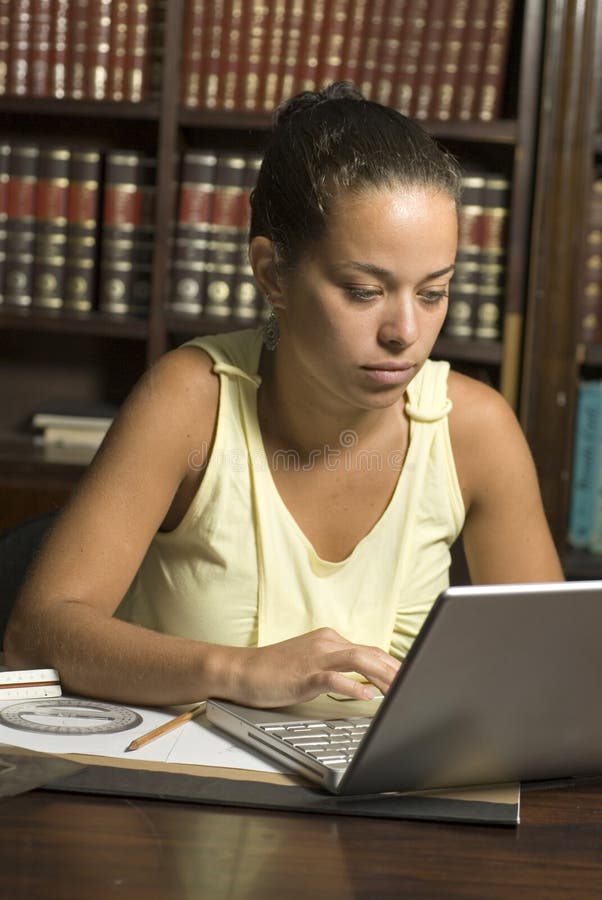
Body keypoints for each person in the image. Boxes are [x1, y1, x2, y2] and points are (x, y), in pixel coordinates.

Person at [4, 82, 563, 708]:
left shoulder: (475, 430)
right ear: (273, 274)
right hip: (172, 771)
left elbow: (549, 677)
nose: (405, 332)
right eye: (363, 291)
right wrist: (240, 672)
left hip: (386, 774)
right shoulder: (190, 400)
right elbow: (35, 635)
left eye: (433, 293)